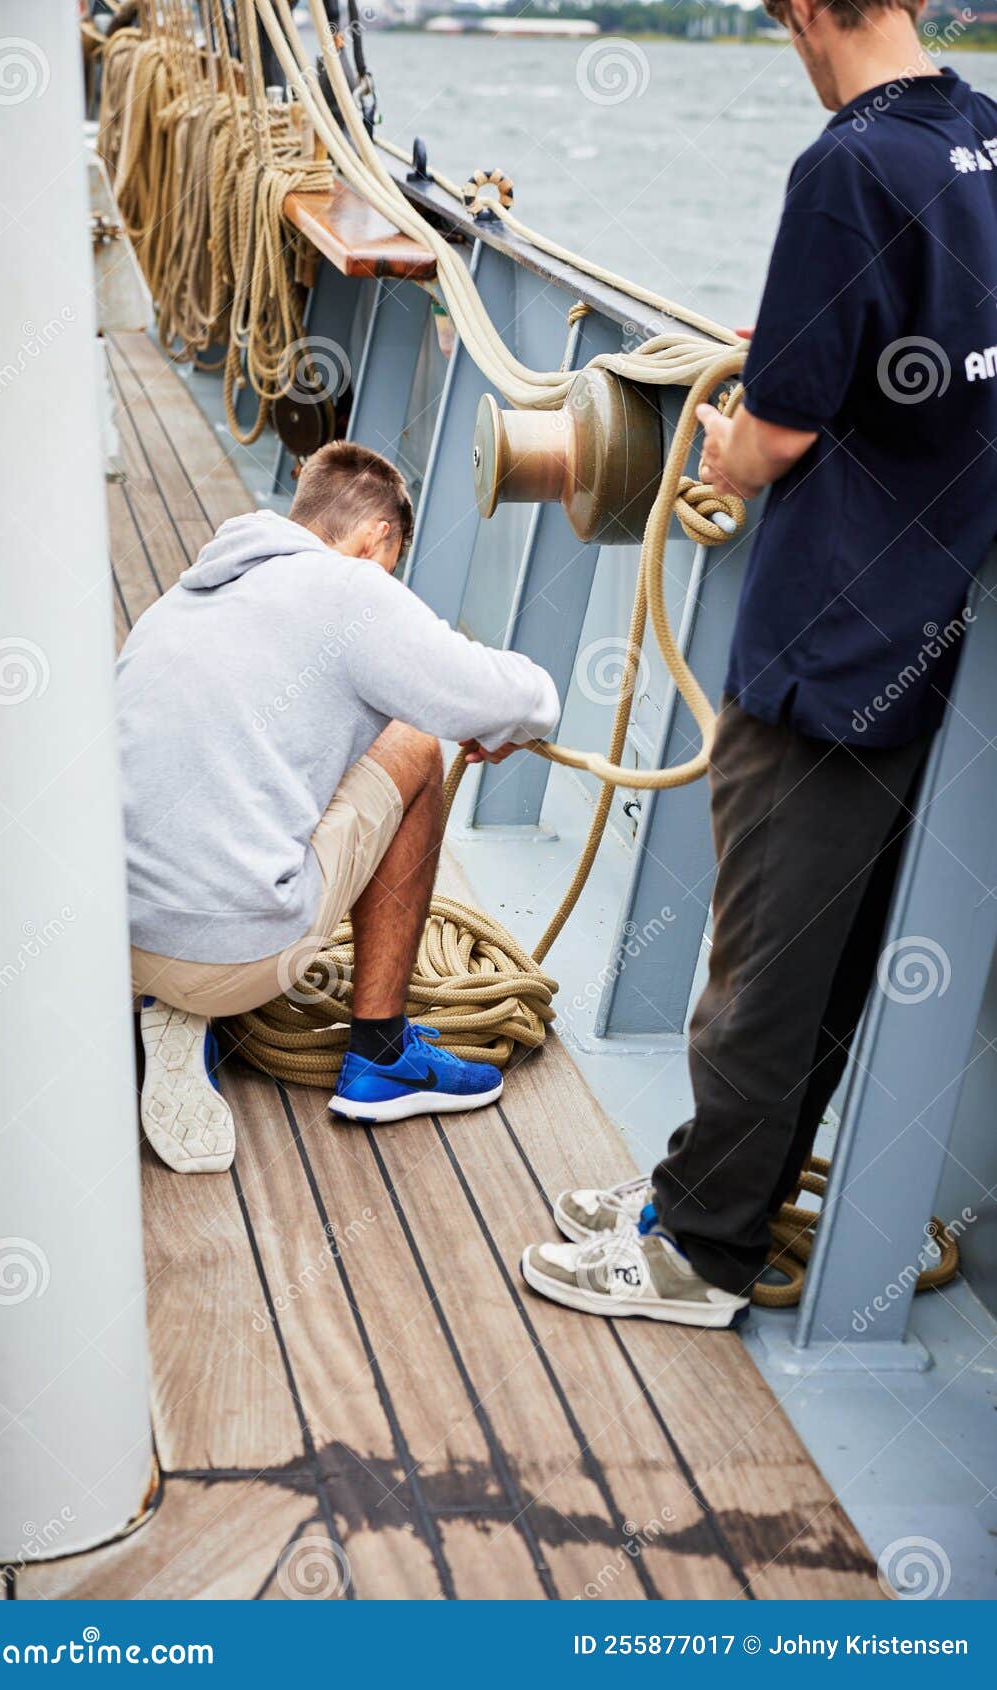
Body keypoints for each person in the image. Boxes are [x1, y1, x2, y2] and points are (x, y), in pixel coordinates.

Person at [521, 0, 997, 1326]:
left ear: (798, 11)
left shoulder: (847, 166)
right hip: (924, 631)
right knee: (827, 968)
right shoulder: (978, 137)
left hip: (828, 637)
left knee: (758, 970)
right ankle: (705, 1193)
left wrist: (726, 442)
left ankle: (698, 1253)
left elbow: (774, 433)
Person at [118, 442, 558, 1173]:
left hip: (105, 935)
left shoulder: (189, 593)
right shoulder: (353, 590)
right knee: (415, 744)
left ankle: (162, 994)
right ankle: (380, 1055)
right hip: (233, 957)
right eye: (392, 564)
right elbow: (500, 696)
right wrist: (530, 713)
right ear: (378, 538)